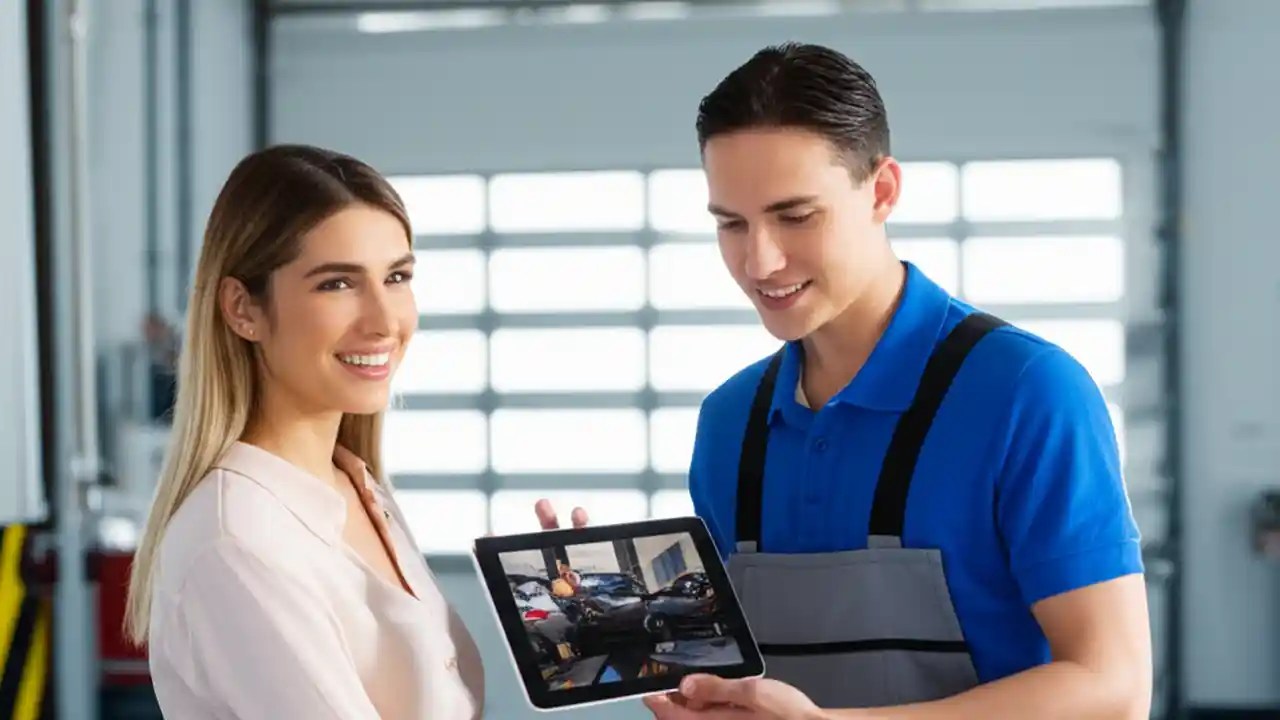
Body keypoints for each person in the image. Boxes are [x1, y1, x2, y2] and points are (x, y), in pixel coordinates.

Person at [551, 43, 1153, 719]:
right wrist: (621, 622)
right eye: (731, 224)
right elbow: (747, 680)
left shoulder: (1027, 392)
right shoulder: (729, 423)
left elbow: (1114, 688)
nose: (760, 260)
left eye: (796, 216)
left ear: (883, 191)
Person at [123, 145, 487, 719]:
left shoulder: (356, 488)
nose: (384, 321)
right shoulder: (238, 541)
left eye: (397, 276)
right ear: (244, 308)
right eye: (337, 284)